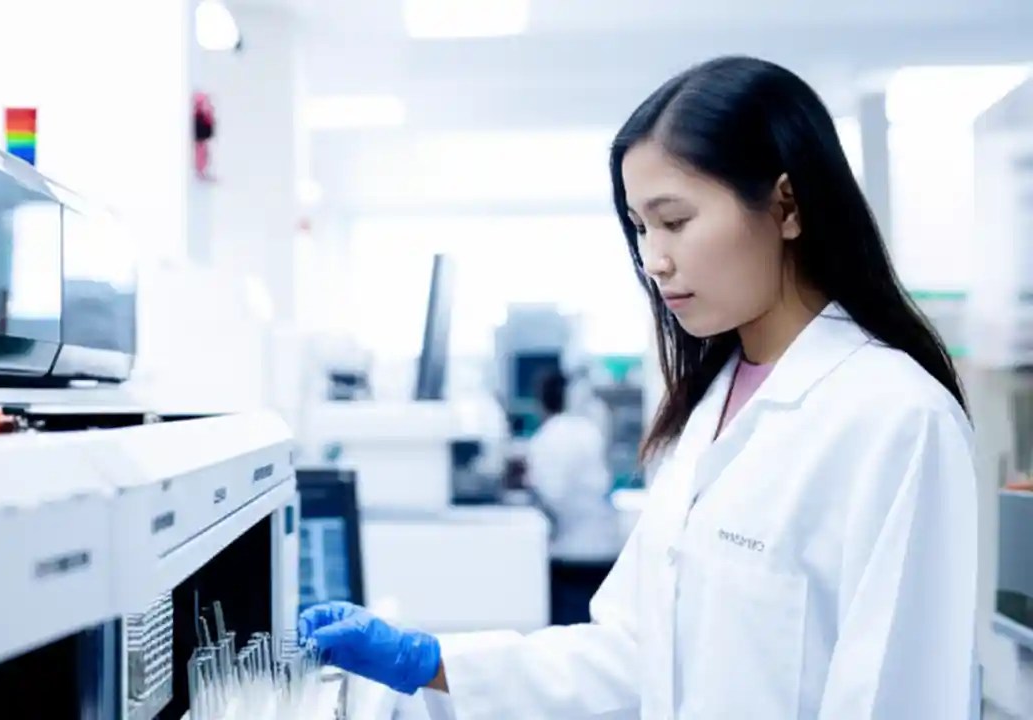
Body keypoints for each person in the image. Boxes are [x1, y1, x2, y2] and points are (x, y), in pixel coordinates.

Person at [298, 55, 978, 719]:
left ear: (787, 204)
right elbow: (635, 653)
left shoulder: (894, 417)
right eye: (640, 226)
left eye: (675, 220)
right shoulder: (709, 411)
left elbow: (899, 695)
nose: (654, 259)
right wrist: (432, 663)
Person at [525, 369, 619, 626]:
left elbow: (551, 496)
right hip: (605, 549)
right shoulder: (586, 430)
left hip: (570, 556)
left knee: (570, 632)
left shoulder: (547, 437)